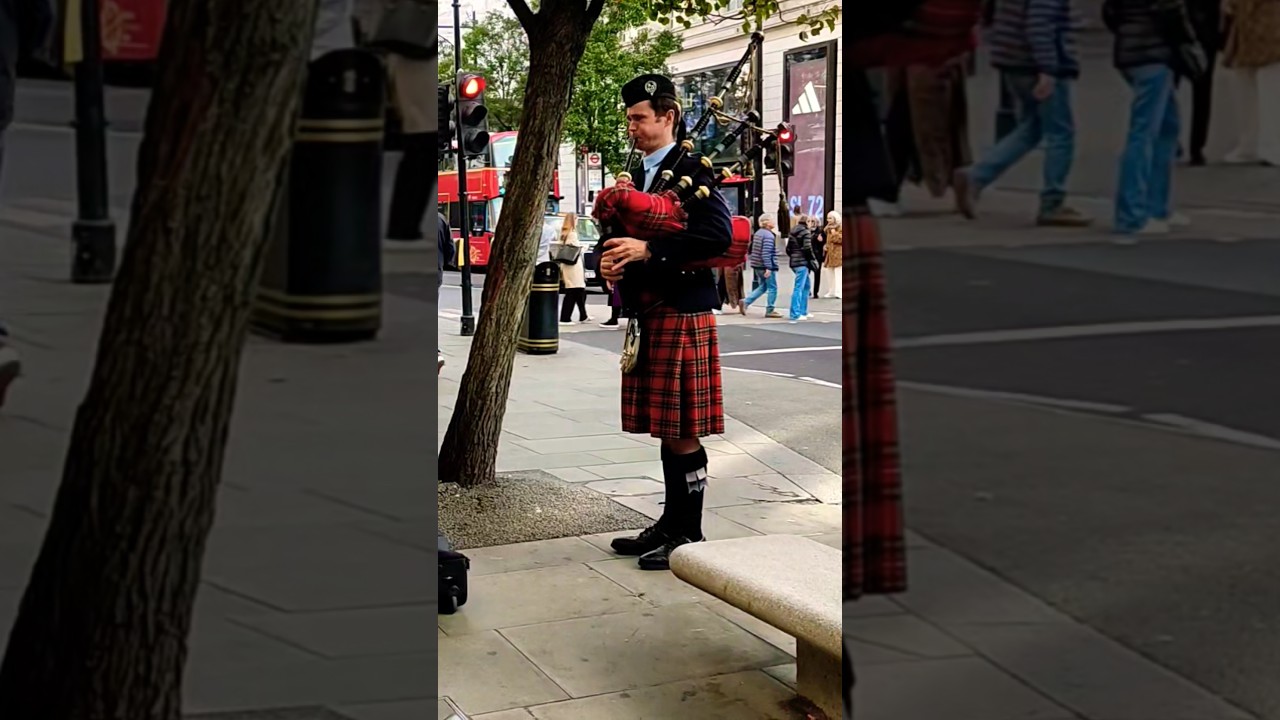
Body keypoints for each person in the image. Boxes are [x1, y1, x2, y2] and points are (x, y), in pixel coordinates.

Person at [599, 73, 732, 571]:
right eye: (629, 118)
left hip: (681, 310)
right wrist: (607, 261)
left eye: (639, 118)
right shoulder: (644, 175)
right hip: (652, 312)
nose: (632, 127)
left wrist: (650, 249)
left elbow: (716, 236)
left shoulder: (691, 170)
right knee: (666, 427)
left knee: (682, 429)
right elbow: (616, 238)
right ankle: (670, 522)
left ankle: (688, 535)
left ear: (668, 116)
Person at [953, 0, 1092, 226]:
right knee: (1061, 134)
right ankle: (1052, 202)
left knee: (1031, 128)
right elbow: (1039, 24)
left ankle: (977, 176)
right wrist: (1047, 68)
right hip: (1036, 65)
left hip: (1012, 60)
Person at [1103, 0, 1200, 234]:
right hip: (1155, 53)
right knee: (1145, 132)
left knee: (1166, 126)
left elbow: (1110, 12)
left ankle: (1156, 207)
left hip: (1130, 51)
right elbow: (1173, 10)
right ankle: (1133, 215)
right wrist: (1188, 41)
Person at [1221, 0, 1280, 166]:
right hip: (1249, 30)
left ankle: (1269, 145)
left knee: (1268, 90)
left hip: (1268, 28)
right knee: (1249, 90)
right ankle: (1251, 144)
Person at [1186, 0, 1222, 166]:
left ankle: (1170, 141)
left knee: (1168, 89)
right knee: (1202, 93)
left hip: (1174, 34)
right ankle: (1197, 148)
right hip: (1205, 33)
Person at [741, 213, 781, 318]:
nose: (774, 222)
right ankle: (770, 309)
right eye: (772, 220)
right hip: (765, 266)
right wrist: (769, 267)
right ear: (767, 223)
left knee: (763, 286)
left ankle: (746, 302)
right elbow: (766, 252)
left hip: (757, 265)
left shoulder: (759, 233)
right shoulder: (768, 235)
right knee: (772, 287)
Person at [556, 213, 589, 325]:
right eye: (576, 219)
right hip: (574, 266)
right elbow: (575, 249)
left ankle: (583, 315)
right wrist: (584, 247)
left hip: (567, 265)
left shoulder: (564, 233)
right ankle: (565, 317)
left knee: (578, 290)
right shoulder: (572, 234)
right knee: (574, 290)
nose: (578, 221)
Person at [785, 215, 816, 323]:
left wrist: (793, 256)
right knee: (799, 287)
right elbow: (808, 248)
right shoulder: (806, 232)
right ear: (807, 222)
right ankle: (795, 313)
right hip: (802, 262)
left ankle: (803, 311)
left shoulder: (792, 232)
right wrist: (812, 260)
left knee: (806, 286)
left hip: (794, 262)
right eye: (810, 221)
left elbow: (788, 249)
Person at [820, 211, 842, 299]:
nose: (828, 220)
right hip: (830, 253)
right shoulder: (828, 228)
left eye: (830, 218)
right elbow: (828, 240)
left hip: (838, 253)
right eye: (827, 218)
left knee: (838, 273)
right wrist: (826, 245)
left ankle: (839, 291)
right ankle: (831, 291)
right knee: (829, 272)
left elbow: (841, 239)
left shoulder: (840, 227)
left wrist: (834, 233)